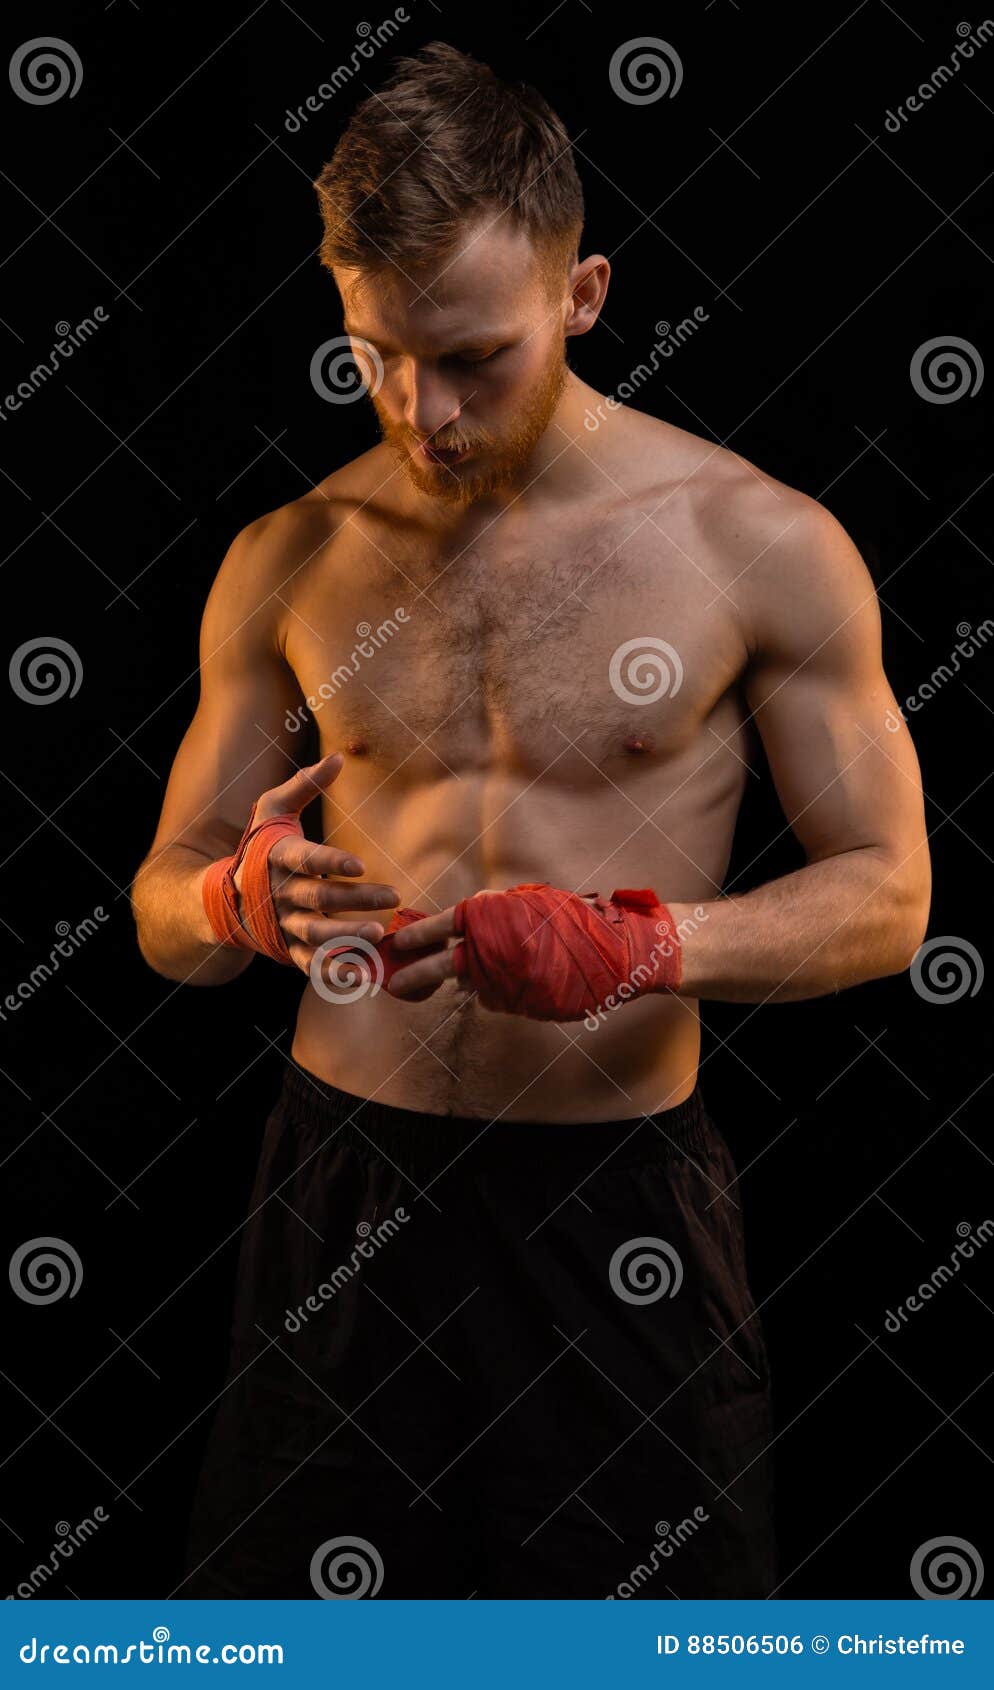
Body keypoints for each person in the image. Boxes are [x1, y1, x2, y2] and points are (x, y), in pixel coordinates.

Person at [131, 42, 931, 1598]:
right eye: (371, 356)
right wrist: (237, 899)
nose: (418, 410)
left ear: (580, 295)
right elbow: (162, 909)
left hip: (614, 1208)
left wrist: (636, 946)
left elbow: (891, 897)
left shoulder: (754, 540)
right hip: (342, 1194)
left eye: (472, 356)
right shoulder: (292, 554)